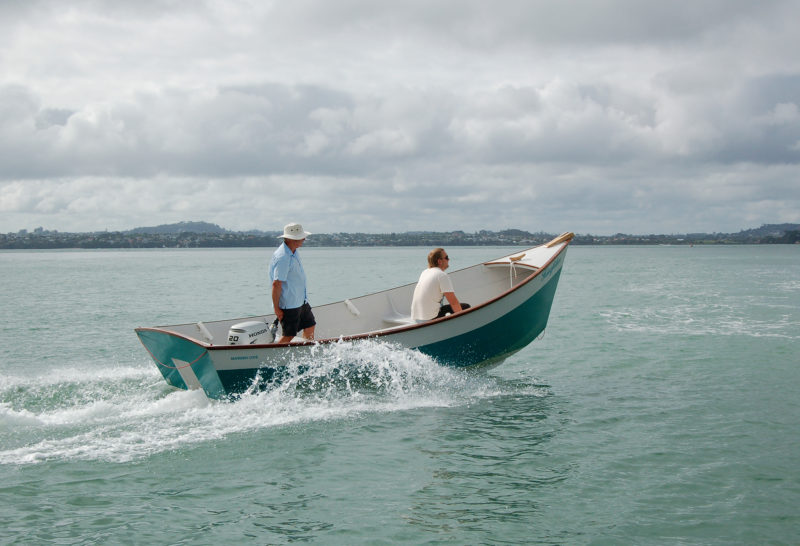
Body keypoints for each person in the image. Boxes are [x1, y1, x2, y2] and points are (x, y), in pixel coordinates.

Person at [269, 222, 316, 343]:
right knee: (289, 335)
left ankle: (307, 352)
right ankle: (276, 358)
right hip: (289, 304)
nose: (304, 239)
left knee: (310, 325)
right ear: (291, 239)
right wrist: (276, 308)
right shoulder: (283, 257)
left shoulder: (293, 251)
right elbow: (276, 284)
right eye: (301, 237)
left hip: (300, 300)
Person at [410, 248, 470, 321]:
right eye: (446, 258)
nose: (449, 260)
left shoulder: (425, 272)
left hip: (416, 317)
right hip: (430, 317)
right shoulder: (442, 275)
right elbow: (454, 303)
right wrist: (463, 319)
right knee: (466, 307)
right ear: (439, 261)